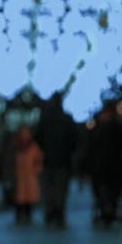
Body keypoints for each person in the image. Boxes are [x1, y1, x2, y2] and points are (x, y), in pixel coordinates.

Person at [36, 91, 79, 228]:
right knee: (60, 189)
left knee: (49, 189)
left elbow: (38, 137)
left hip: (49, 159)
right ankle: (58, 213)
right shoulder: (66, 119)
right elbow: (75, 139)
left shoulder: (46, 119)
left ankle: (51, 213)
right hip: (62, 160)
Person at [85, 101, 122, 227]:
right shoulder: (117, 127)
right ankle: (109, 212)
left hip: (102, 167)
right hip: (111, 167)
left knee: (104, 191)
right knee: (111, 192)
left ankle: (106, 212)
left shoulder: (98, 129)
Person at [13, 125, 43, 225]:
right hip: (21, 176)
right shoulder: (17, 146)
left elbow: (38, 160)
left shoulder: (32, 147)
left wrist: (36, 170)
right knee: (20, 198)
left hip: (29, 176)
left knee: (26, 198)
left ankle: (26, 215)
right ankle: (21, 215)